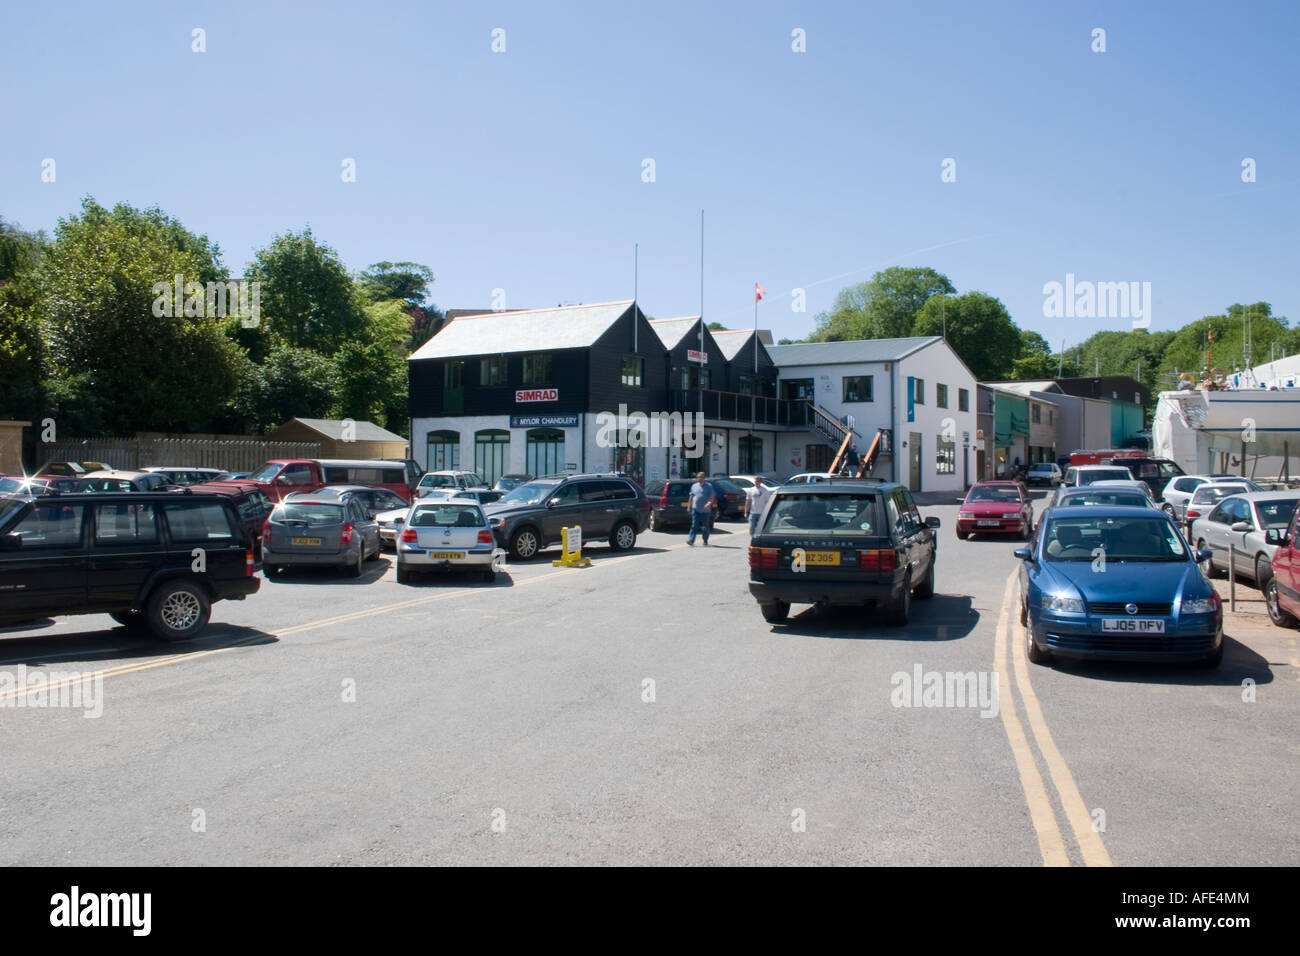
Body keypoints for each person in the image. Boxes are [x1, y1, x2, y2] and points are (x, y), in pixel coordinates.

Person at [686, 471, 717, 546]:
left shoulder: (709, 486)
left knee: (705, 526)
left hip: (705, 510)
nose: (699, 478)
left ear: (704, 478)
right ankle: (691, 540)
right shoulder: (694, 486)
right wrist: (688, 506)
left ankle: (705, 540)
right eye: (698, 477)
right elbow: (691, 496)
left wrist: (708, 503)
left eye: (701, 477)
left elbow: (712, 497)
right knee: (694, 525)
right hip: (695, 509)